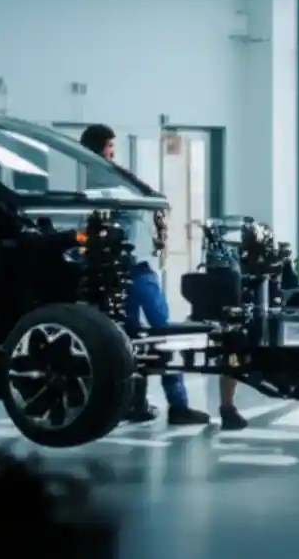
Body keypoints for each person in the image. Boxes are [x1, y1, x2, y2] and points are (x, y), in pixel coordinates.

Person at [78, 125, 238, 428]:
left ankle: (135, 403)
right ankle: (177, 405)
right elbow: (154, 197)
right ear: (104, 148)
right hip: (135, 268)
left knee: (129, 337)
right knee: (163, 334)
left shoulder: (85, 180)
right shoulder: (114, 178)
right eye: (111, 146)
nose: (114, 151)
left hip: (111, 271)